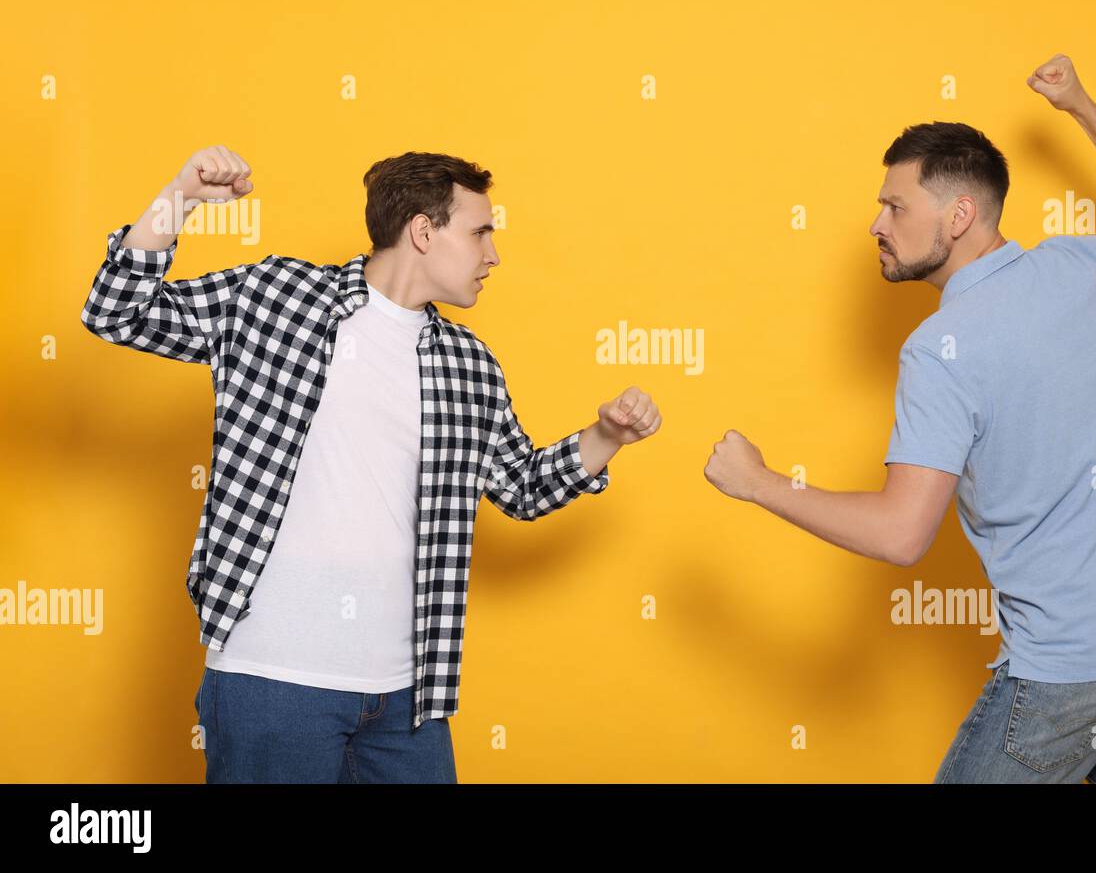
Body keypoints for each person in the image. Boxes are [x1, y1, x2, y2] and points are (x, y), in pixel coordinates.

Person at [81, 147, 662, 783]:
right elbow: (119, 312)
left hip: (407, 698)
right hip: (274, 680)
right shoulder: (277, 299)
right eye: (479, 232)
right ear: (422, 230)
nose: (492, 255)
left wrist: (606, 436)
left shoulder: (469, 364)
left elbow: (521, 487)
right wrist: (182, 196)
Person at [703, 54, 1096, 783]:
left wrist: (760, 483)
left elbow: (902, 534)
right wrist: (1083, 108)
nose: (875, 224)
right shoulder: (1080, 271)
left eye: (895, 207)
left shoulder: (938, 350)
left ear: (959, 214)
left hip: (1062, 681)